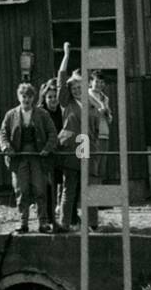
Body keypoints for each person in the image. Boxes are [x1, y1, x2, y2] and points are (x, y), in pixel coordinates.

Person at [0, 83, 57, 233]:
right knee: (21, 189)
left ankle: (43, 222)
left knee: (40, 189)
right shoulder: (11, 115)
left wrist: (47, 149)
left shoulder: (42, 114)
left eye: (29, 96)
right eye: (23, 96)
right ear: (19, 97)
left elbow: (52, 133)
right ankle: (23, 222)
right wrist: (7, 148)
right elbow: (3, 134)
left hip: (38, 157)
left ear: (33, 98)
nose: (26, 99)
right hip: (19, 158)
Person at [55, 45, 100, 231]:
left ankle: (92, 224)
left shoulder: (92, 105)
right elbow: (61, 78)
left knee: (89, 188)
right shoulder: (67, 103)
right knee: (69, 188)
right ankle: (64, 223)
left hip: (87, 148)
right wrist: (66, 55)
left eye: (78, 86)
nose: (75, 89)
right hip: (71, 149)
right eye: (72, 87)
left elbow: (95, 128)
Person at [38, 78, 64, 227]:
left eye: (55, 97)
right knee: (48, 186)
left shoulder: (62, 111)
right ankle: (48, 217)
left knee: (63, 182)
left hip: (61, 152)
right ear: (45, 98)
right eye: (50, 97)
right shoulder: (41, 113)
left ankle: (65, 216)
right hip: (47, 153)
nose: (53, 99)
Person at [89, 72, 114, 185]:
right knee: (93, 166)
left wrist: (108, 114)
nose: (99, 84)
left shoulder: (105, 98)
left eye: (102, 82)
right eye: (97, 81)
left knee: (102, 168)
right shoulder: (87, 96)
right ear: (90, 82)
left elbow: (109, 119)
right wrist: (99, 112)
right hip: (93, 136)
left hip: (104, 133)